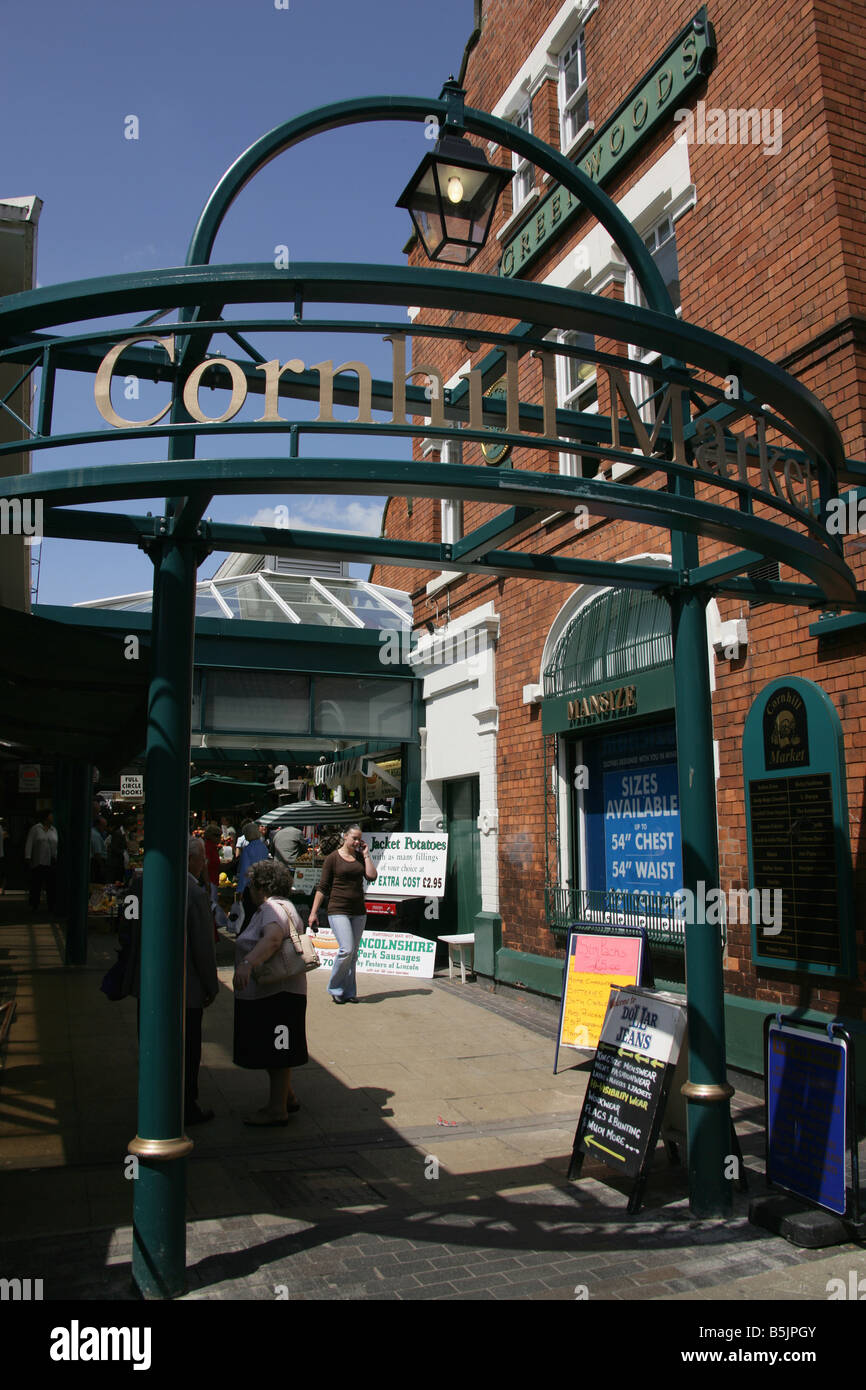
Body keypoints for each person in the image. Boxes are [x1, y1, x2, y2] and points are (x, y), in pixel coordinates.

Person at [232, 858, 308, 1125]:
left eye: (251, 885)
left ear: (260, 886)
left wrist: (247, 963)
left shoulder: (269, 910)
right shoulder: (286, 906)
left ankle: (277, 1109)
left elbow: (273, 938)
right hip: (287, 991)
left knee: (276, 1051)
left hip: (275, 992)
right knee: (279, 1048)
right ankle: (286, 1097)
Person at [309, 825, 377, 1004]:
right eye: (354, 838)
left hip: (358, 911)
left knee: (353, 954)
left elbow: (371, 876)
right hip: (338, 909)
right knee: (346, 949)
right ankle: (335, 988)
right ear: (345, 837)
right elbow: (322, 887)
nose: (356, 842)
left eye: (359, 839)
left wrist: (366, 854)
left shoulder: (359, 857)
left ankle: (348, 992)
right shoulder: (332, 859)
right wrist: (314, 912)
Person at [185, 837, 220, 1125]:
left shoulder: (143, 885)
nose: (205, 863)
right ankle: (187, 1102)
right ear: (190, 860)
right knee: (188, 1047)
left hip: (151, 990)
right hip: (187, 989)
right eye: (201, 859)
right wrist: (212, 985)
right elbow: (203, 947)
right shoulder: (194, 893)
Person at [25, 809, 57, 913]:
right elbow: (29, 843)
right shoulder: (36, 829)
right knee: (36, 884)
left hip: (50, 861)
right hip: (38, 860)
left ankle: (51, 905)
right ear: (46, 817)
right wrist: (28, 857)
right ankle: (34, 904)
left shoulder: (53, 830)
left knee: (51, 885)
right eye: (51, 816)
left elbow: (56, 844)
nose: (52, 818)